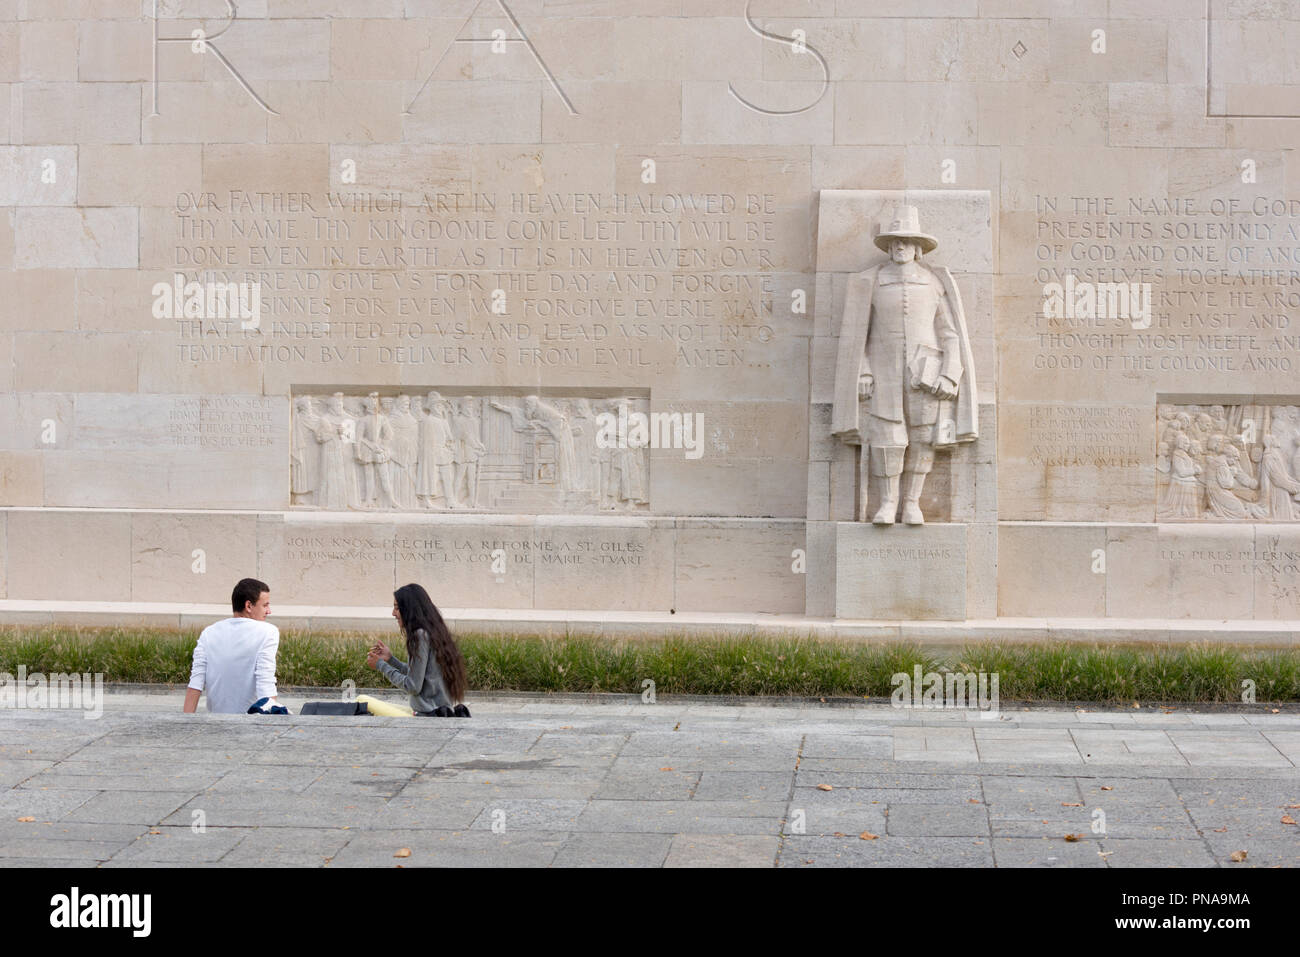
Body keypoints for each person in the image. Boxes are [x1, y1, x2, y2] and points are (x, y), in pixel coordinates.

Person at [365, 583, 468, 717]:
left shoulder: (419, 636)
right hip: (438, 711)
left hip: (427, 714)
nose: (393, 613)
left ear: (409, 609)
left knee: (363, 700)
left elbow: (412, 686)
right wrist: (391, 660)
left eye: (397, 608)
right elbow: (420, 675)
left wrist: (381, 665)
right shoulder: (432, 633)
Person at [184, 578, 281, 714]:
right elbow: (265, 683)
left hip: (215, 723)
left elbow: (195, 684)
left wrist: (185, 722)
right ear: (249, 606)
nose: (269, 611)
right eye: (265, 605)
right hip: (253, 724)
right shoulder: (268, 631)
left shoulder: (209, 632)